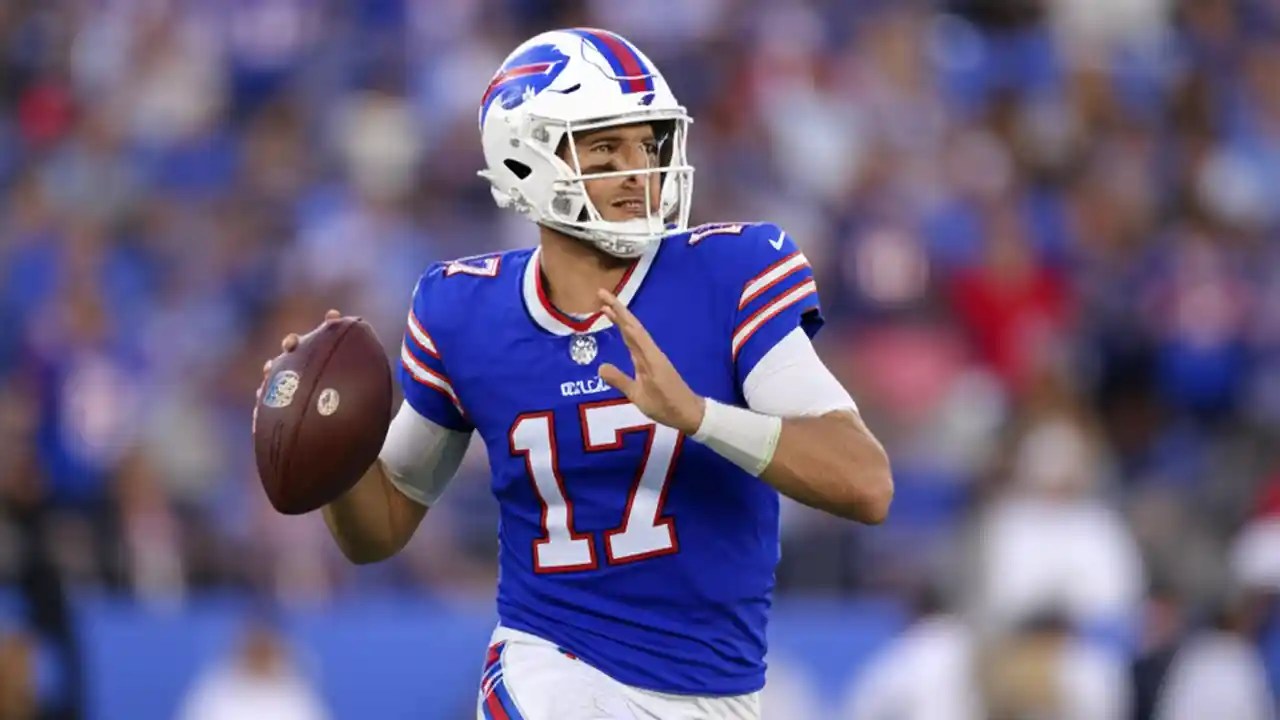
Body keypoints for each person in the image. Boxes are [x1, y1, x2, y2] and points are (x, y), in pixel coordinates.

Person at [259, 28, 893, 720]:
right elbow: (378, 530)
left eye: (648, 144)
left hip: (715, 691)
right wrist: (333, 452)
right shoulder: (463, 310)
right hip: (549, 664)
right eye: (604, 148)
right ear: (525, 160)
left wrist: (702, 417)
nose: (638, 169)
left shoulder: (731, 275)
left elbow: (866, 483)